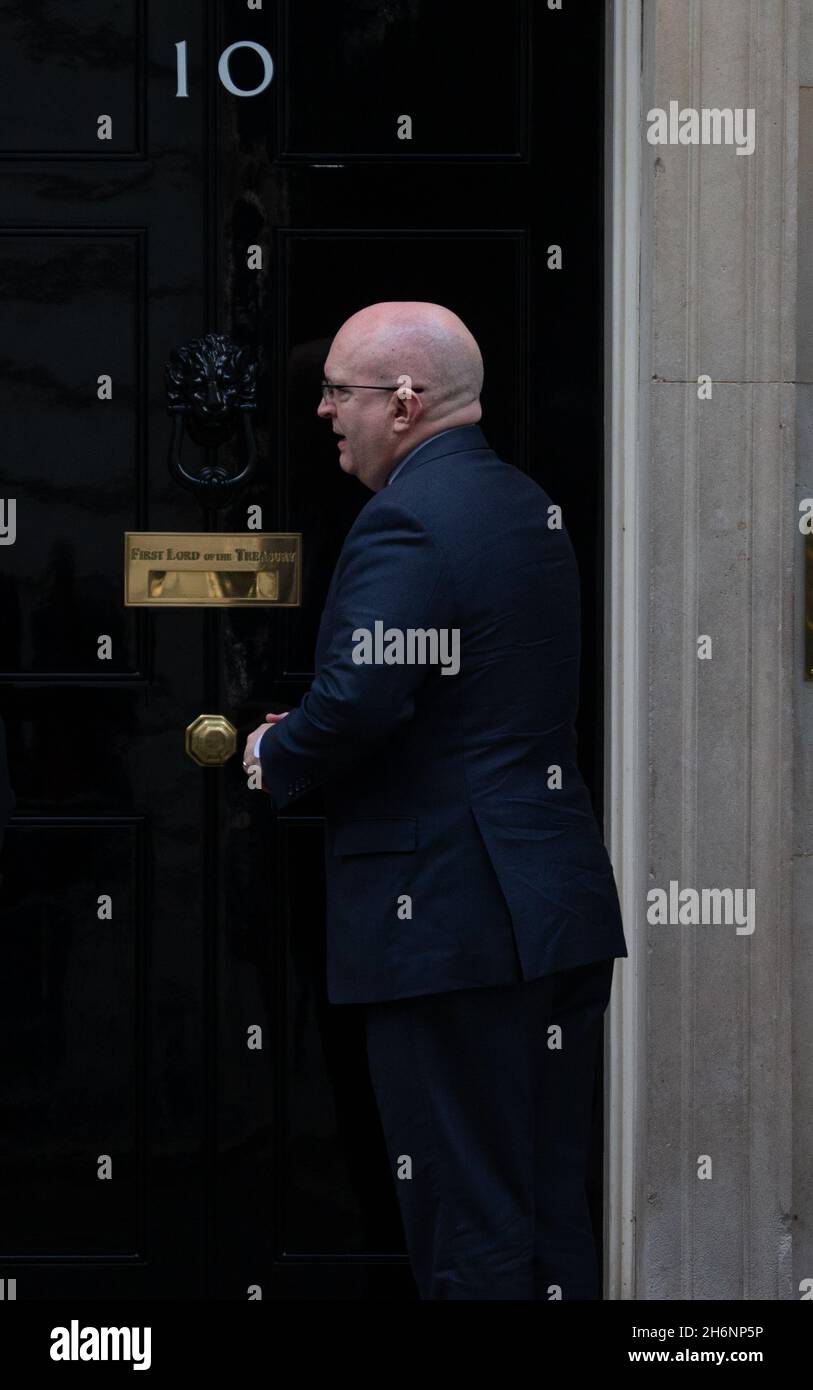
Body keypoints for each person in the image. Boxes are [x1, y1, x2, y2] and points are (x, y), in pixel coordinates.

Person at [243, 302, 627, 1300]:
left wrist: (276, 749)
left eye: (340, 391)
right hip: (549, 912)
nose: (325, 410)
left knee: (468, 1226)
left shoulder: (408, 517)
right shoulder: (522, 505)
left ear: (406, 401)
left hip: (449, 921)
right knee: (544, 1215)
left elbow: (365, 696)